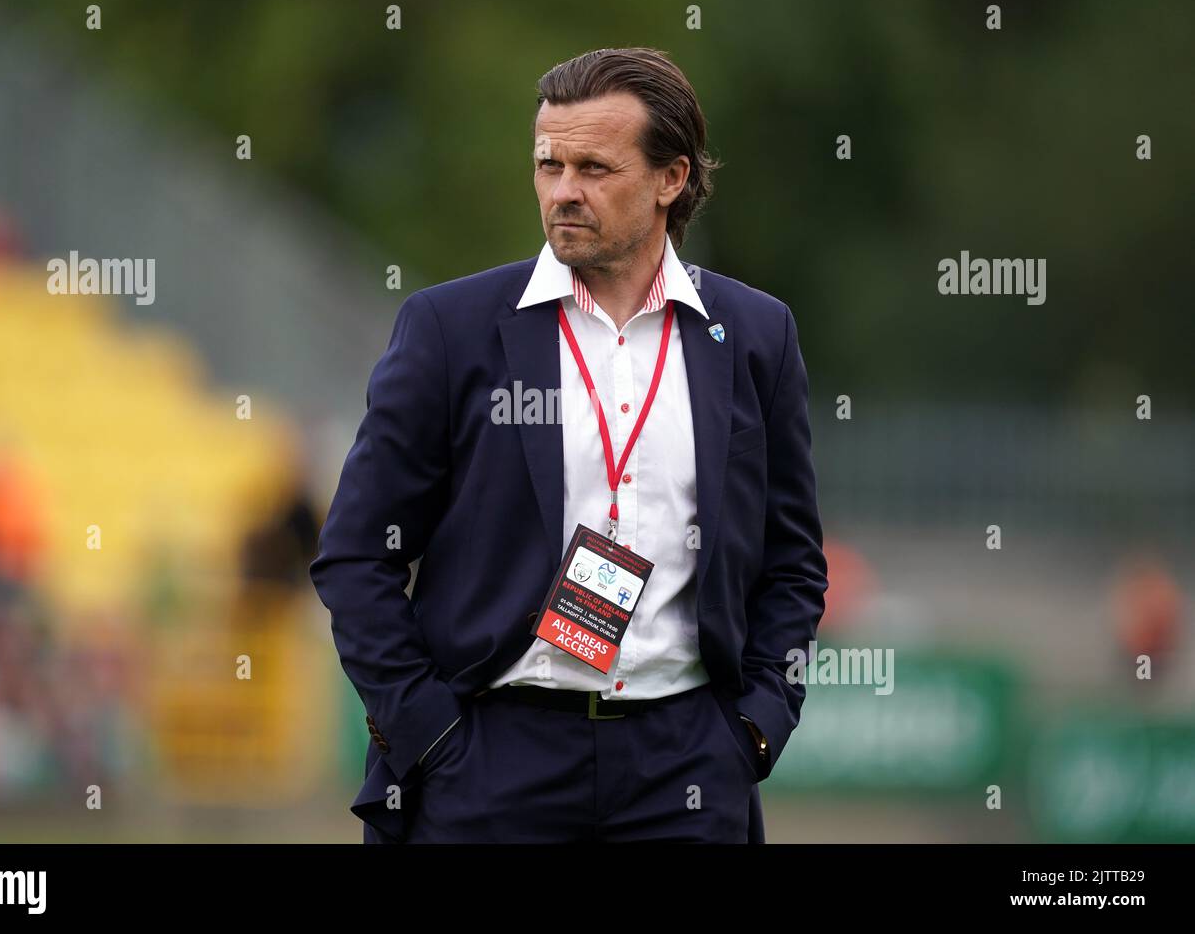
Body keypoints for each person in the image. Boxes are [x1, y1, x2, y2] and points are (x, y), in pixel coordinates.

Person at [310, 47, 827, 843]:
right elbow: (354, 552)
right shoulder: (452, 328)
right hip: (488, 760)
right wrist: (429, 733)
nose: (563, 191)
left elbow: (791, 560)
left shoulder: (757, 334)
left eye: (594, 167)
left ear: (671, 179)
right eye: (549, 164)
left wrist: (755, 726)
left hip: (684, 765)